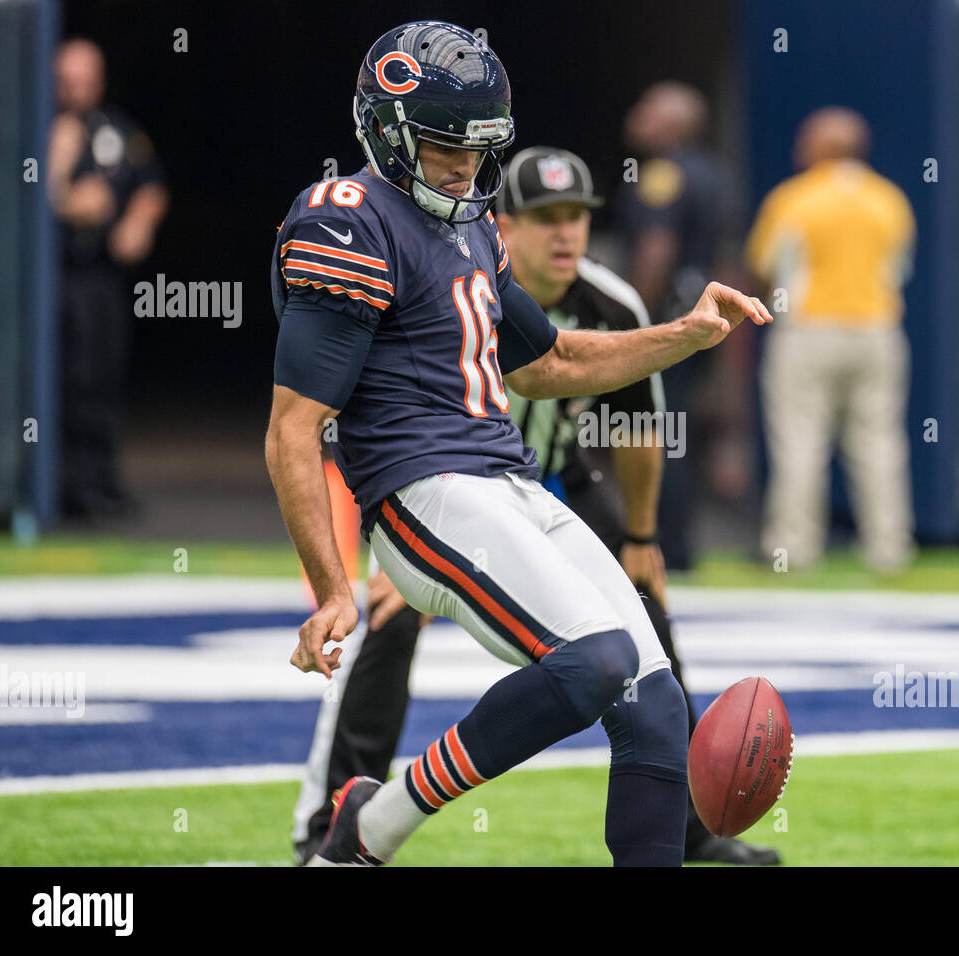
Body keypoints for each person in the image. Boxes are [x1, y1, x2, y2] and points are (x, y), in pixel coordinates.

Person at [266, 21, 771, 867]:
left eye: (477, 147)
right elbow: (292, 426)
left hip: (512, 484)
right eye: (443, 145)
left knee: (656, 705)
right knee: (594, 659)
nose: (465, 167)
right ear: (386, 130)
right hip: (422, 492)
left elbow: (548, 363)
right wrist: (329, 589)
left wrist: (687, 333)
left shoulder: (473, 228)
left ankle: (368, 820)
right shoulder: (345, 220)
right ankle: (375, 825)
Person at [746, 107, 916, 573]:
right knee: (880, 441)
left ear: (820, 147)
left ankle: (793, 549)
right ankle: (889, 550)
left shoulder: (795, 199)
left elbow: (763, 266)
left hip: (808, 330)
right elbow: (899, 266)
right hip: (878, 331)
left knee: (800, 441)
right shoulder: (889, 200)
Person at [48, 38, 168, 519]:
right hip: (53, 280)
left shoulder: (114, 130)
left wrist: (137, 220)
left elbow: (151, 184)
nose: (78, 90)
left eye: (86, 79)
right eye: (68, 80)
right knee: (65, 381)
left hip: (102, 279)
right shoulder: (41, 127)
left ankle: (101, 481)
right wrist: (63, 193)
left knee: (103, 374)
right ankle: (62, 488)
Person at [620, 81, 735, 570]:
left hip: (669, 316)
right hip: (704, 315)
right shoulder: (714, 174)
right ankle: (679, 544)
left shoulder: (663, 175)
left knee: (645, 426)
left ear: (674, 124)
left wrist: (631, 320)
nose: (638, 115)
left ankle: (656, 542)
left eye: (649, 108)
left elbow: (656, 249)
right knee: (676, 427)